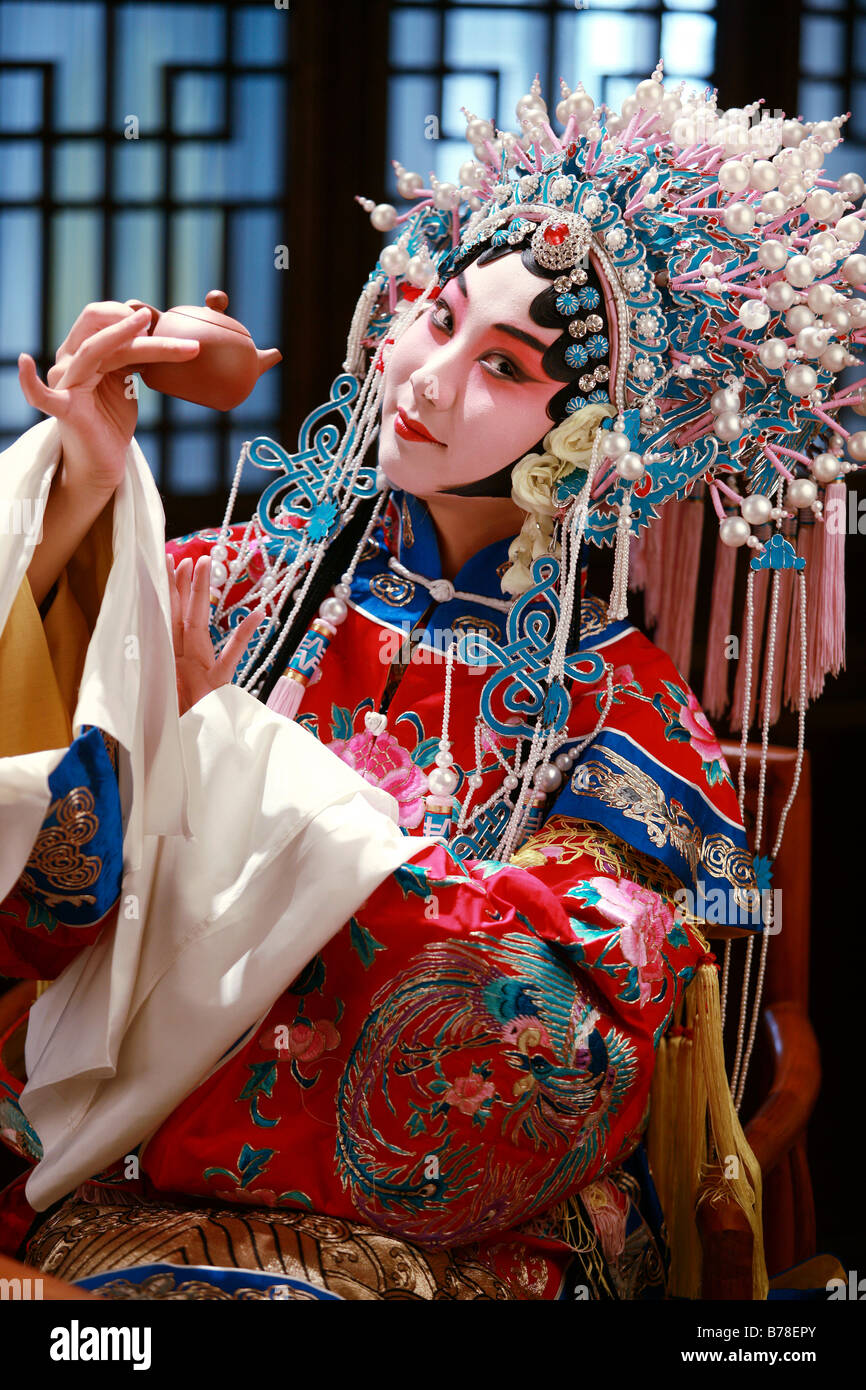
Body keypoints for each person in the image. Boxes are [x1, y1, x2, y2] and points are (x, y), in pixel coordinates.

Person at [0, 66, 856, 1301]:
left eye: (504, 366)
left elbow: (522, 1050)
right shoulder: (230, 586)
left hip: (443, 1247)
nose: (426, 375)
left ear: (601, 430)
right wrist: (87, 481)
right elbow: (44, 860)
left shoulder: (621, 711)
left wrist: (228, 746)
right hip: (126, 1169)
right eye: (433, 313)